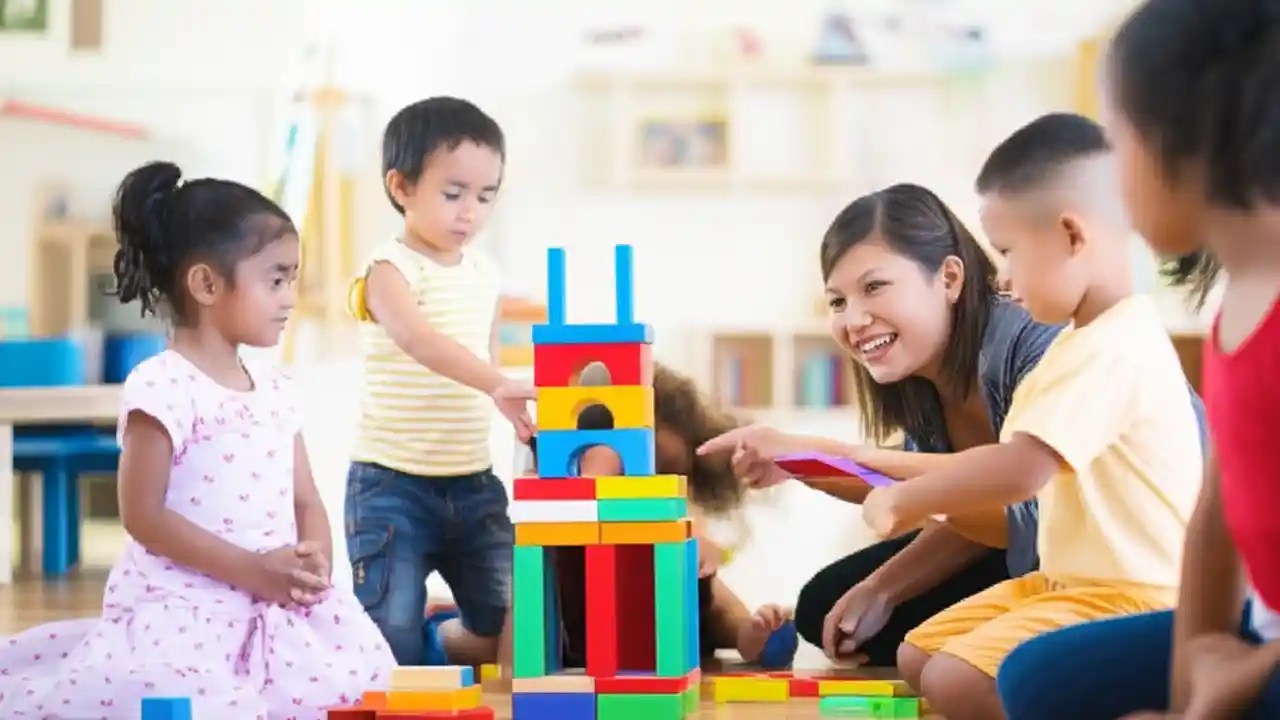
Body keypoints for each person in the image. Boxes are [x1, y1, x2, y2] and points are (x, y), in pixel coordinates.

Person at [0, 161, 395, 718]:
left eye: (292, 279)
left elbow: (306, 497)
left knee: (367, 677)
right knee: (178, 697)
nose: (289, 297)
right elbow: (142, 515)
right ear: (207, 284)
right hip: (188, 604)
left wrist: (314, 562)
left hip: (277, 601)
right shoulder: (163, 386)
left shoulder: (278, 391)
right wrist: (253, 571)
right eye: (276, 279)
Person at [856, 111, 1204, 719]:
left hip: (1132, 597)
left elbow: (1021, 471)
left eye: (1010, 252)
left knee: (959, 681)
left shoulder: (1111, 348)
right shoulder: (1083, 338)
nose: (1007, 279)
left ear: (1072, 236)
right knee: (919, 656)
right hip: (1069, 583)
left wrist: (908, 498)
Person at [996, 2, 1280, 718]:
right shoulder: (1235, 305)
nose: (1114, 185)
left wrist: (1242, 680)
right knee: (1034, 681)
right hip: (1259, 629)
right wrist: (1198, 673)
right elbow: (1218, 513)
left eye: (1119, 147)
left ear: (1186, 135)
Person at [697, 182, 1062, 666]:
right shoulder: (920, 378)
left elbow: (1029, 518)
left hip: (1082, 554)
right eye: (837, 302)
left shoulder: (1029, 342)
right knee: (827, 606)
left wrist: (819, 455)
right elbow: (947, 505)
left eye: (874, 287)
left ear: (949, 278)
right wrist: (882, 588)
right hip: (1017, 545)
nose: (854, 319)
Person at [345, 96, 534, 667]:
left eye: (485, 196)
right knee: (387, 639)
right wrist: (497, 382)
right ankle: (415, 638)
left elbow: (483, 351)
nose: (470, 212)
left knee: (509, 621)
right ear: (401, 187)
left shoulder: (484, 272)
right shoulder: (389, 269)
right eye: (453, 194)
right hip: (390, 487)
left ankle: (442, 634)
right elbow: (420, 341)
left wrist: (507, 403)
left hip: (472, 485)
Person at [519, 362, 798, 671]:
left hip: (655, 623)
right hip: (579, 628)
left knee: (707, 593)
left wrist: (750, 629)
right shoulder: (554, 499)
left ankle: (751, 634)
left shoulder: (668, 507)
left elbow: (714, 600)